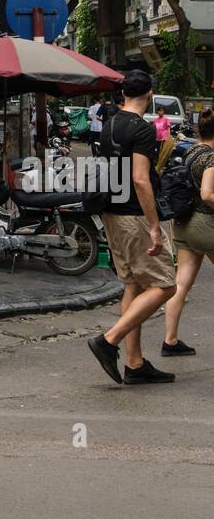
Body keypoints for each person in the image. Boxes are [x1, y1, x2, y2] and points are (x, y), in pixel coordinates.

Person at [88, 70, 177, 386]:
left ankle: (135, 363)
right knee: (167, 285)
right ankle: (108, 340)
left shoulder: (110, 123)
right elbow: (140, 179)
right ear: (150, 94)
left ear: (123, 94)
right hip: (134, 215)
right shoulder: (142, 128)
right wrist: (154, 226)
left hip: (111, 213)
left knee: (134, 285)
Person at [162, 108, 214, 356]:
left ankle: (170, 341)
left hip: (184, 223)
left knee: (181, 284)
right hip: (205, 224)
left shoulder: (192, 151)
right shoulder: (211, 157)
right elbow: (206, 194)